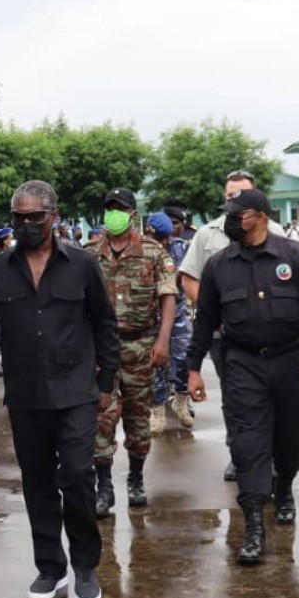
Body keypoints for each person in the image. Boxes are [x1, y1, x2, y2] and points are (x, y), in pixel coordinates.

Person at [0, 180, 118, 598]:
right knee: (36, 483)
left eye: (36, 217)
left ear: (53, 216)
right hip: (26, 394)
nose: (27, 225)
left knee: (75, 476)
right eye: (19, 218)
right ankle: (50, 566)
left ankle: (85, 566)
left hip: (76, 393)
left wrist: (105, 385)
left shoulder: (83, 264)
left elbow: (105, 325)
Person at [187, 189, 299, 565]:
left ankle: (284, 486)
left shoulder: (296, 256)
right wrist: (191, 369)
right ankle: (254, 524)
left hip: (290, 362)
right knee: (247, 443)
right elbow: (204, 320)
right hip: (242, 364)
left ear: (261, 216)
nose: (230, 221)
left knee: (293, 436)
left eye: (238, 215)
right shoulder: (220, 265)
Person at [180, 170, 287, 482]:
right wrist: (218, 312)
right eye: (229, 197)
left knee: (269, 395)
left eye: (241, 196)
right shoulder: (207, 235)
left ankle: (269, 454)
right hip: (222, 335)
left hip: (267, 336)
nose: (234, 202)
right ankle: (239, 452)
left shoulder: (277, 232)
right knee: (235, 395)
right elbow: (189, 277)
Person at [86, 189, 177, 516]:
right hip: (101, 349)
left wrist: (163, 340)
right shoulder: (90, 253)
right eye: (109, 208)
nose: (114, 214)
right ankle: (104, 487)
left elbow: (168, 296)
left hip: (141, 347)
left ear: (132, 213)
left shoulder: (153, 252)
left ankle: (136, 479)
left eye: (120, 208)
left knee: (138, 419)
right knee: (101, 419)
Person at [145, 211, 194, 432]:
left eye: (167, 238)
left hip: (178, 314)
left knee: (184, 358)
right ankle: (158, 410)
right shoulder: (141, 250)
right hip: (150, 316)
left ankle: (181, 400)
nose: (165, 242)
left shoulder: (182, 247)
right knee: (155, 364)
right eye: (160, 238)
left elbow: (191, 274)